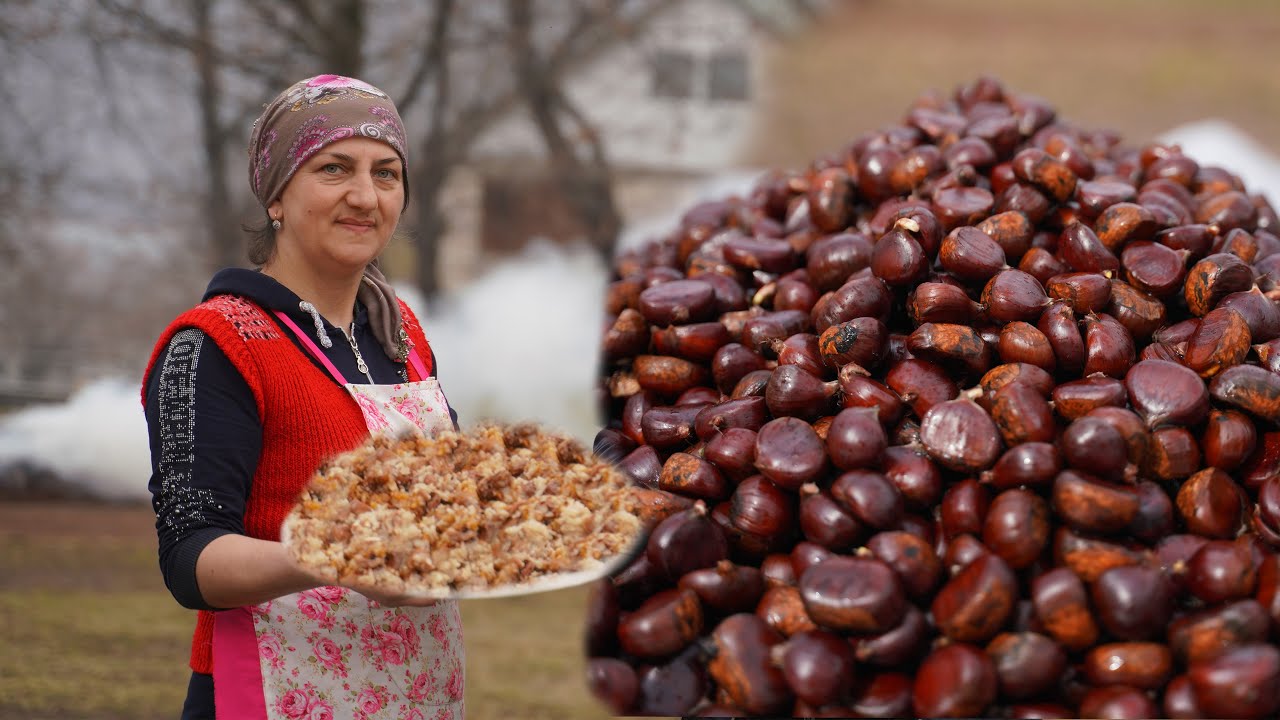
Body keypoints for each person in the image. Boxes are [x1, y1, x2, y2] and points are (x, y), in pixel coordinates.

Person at [142, 74, 464, 719]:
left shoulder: (403, 333)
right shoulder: (217, 342)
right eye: (334, 168)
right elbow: (191, 559)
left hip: (417, 692)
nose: (363, 196)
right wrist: (338, 555)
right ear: (277, 197)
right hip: (275, 694)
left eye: (387, 173)